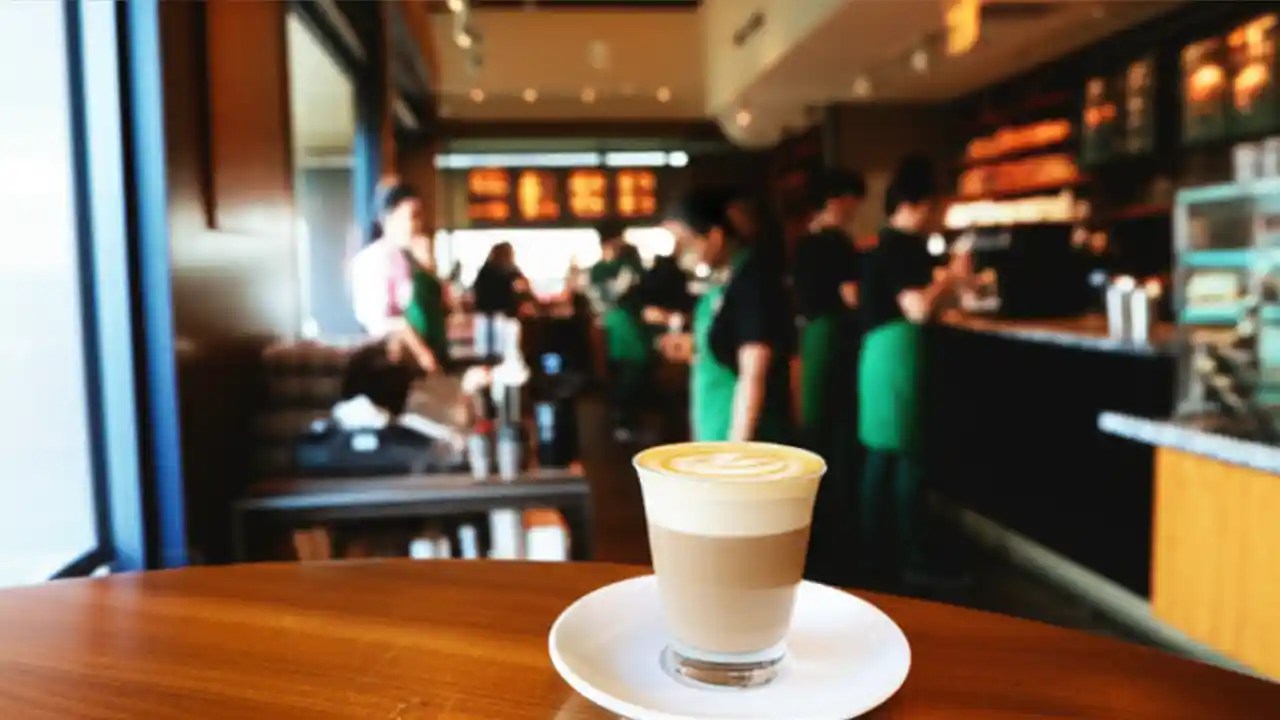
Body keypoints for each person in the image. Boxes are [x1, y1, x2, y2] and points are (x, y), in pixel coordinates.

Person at [858, 156, 971, 579]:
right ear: (918, 203)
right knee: (907, 454)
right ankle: (911, 560)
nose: (940, 214)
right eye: (937, 205)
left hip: (878, 358)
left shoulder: (882, 244)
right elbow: (918, 308)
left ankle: (875, 554)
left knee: (882, 454)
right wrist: (953, 277)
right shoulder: (902, 246)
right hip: (896, 357)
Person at [659, 188, 794, 443]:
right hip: (714, 420)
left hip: (741, 432)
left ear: (715, 237)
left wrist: (737, 449)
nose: (679, 252)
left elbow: (754, 373)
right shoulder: (723, 282)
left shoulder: (753, 284)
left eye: (685, 242)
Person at [792, 169, 866, 447]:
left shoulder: (803, 242)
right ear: (835, 201)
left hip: (809, 336)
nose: (854, 210)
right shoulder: (837, 242)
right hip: (836, 335)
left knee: (815, 418)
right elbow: (852, 296)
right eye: (852, 202)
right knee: (841, 420)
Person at [350, 182, 447, 374]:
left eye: (419, 216)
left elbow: (440, 306)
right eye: (411, 217)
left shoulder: (409, 258)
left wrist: (429, 269)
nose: (417, 225)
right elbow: (385, 320)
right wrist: (423, 355)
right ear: (388, 218)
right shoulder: (373, 259)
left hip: (425, 357)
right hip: (392, 363)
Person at [471, 242, 529, 358]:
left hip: (485, 317)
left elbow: (476, 292)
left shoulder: (484, 271)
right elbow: (523, 289)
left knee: (486, 356)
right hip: (504, 316)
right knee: (506, 354)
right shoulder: (511, 271)